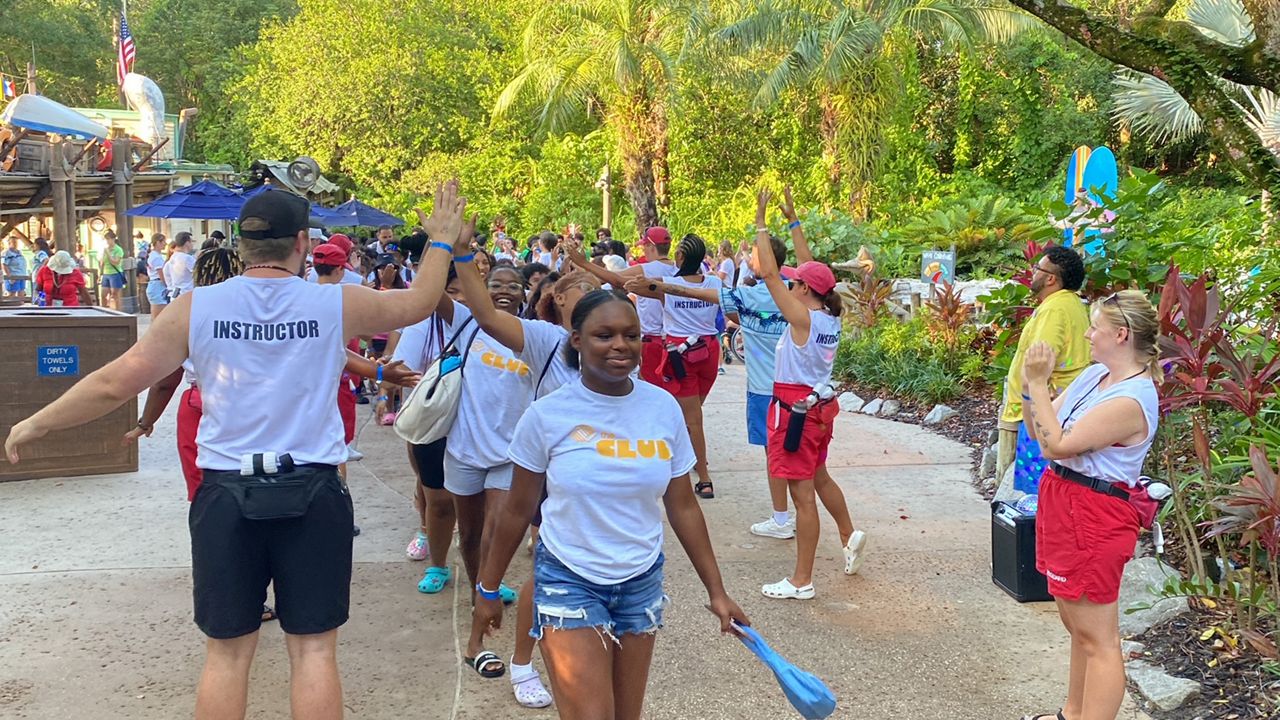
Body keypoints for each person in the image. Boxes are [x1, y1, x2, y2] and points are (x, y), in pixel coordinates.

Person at [5, 181, 467, 720]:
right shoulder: (331, 302)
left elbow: (114, 384)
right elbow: (416, 304)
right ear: (301, 241)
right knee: (314, 648)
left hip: (225, 493)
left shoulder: (193, 308)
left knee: (226, 654)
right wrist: (439, 241)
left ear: (241, 244)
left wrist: (36, 422)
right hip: (312, 488)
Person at [472, 289, 750, 720]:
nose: (620, 345)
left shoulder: (662, 408)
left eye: (631, 335)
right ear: (577, 340)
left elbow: (683, 507)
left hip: (640, 581)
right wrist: (488, 588)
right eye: (604, 335)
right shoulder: (547, 416)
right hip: (569, 577)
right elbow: (516, 509)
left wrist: (717, 592)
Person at [452, 248, 602, 708]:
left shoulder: (612, 345)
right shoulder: (543, 341)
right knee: (506, 542)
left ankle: (569, 647)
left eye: (596, 290)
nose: (591, 295)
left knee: (571, 570)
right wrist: (459, 254)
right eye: (579, 290)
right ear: (557, 301)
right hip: (546, 479)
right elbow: (483, 312)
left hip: (595, 487)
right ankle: (504, 653)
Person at [1019, 290, 1161, 720]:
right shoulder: (1095, 376)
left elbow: (1058, 445)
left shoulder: (1131, 399)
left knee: (1099, 640)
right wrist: (1031, 390)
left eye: (1095, 327)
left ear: (1121, 334)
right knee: (1078, 629)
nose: (1087, 334)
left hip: (1095, 512)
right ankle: (1071, 713)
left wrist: (1040, 383)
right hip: (1064, 499)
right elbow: (1040, 430)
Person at [749, 189, 857, 601]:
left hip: (794, 412)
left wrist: (761, 221)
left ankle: (802, 580)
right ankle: (848, 535)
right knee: (818, 477)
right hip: (818, 409)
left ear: (805, 291)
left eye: (796, 283)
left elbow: (772, 276)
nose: (789, 284)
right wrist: (792, 221)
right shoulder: (827, 313)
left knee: (803, 498)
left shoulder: (802, 318)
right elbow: (813, 269)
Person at [623, 234, 723, 498]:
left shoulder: (665, 284)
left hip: (681, 355)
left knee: (691, 420)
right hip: (710, 351)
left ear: (679, 258)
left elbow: (629, 285)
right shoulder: (714, 282)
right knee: (692, 413)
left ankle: (704, 478)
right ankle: (690, 463)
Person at [997, 246, 1091, 487]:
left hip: (1044, 412)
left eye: (1038, 268)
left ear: (1051, 278)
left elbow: (1040, 360)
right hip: (1057, 408)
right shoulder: (1070, 304)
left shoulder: (1054, 310)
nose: (1032, 272)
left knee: (1037, 494)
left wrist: (1031, 397)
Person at [567, 226, 677, 388]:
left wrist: (584, 263)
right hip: (676, 339)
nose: (643, 251)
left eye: (644, 246)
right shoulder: (679, 269)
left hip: (652, 340)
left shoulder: (645, 269)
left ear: (651, 247)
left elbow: (617, 280)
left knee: (652, 389)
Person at [163, 232, 196, 301]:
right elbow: (199, 273)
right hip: (187, 295)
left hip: (175, 295)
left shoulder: (171, 260)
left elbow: (168, 280)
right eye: (191, 242)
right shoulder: (187, 258)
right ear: (187, 243)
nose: (192, 245)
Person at [99, 230, 126, 310]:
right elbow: (102, 262)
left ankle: (118, 312)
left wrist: (108, 254)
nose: (107, 241)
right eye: (106, 239)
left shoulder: (118, 249)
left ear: (113, 239)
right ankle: (104, 311)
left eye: (109, 239)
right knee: (103, 294)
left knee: (115, 295)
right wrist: (100, 272)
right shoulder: (106, 249)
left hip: (115, 273)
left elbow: (116, 262)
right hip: (106, 273)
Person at [145, 233, 169, 317]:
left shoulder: (156, 255)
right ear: (158, 242)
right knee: (158, 316)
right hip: (158, 285)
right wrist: (168, 285)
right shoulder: (156, 257)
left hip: (156, 285)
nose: (165, 244)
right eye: (163, 242)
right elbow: (161, 274)